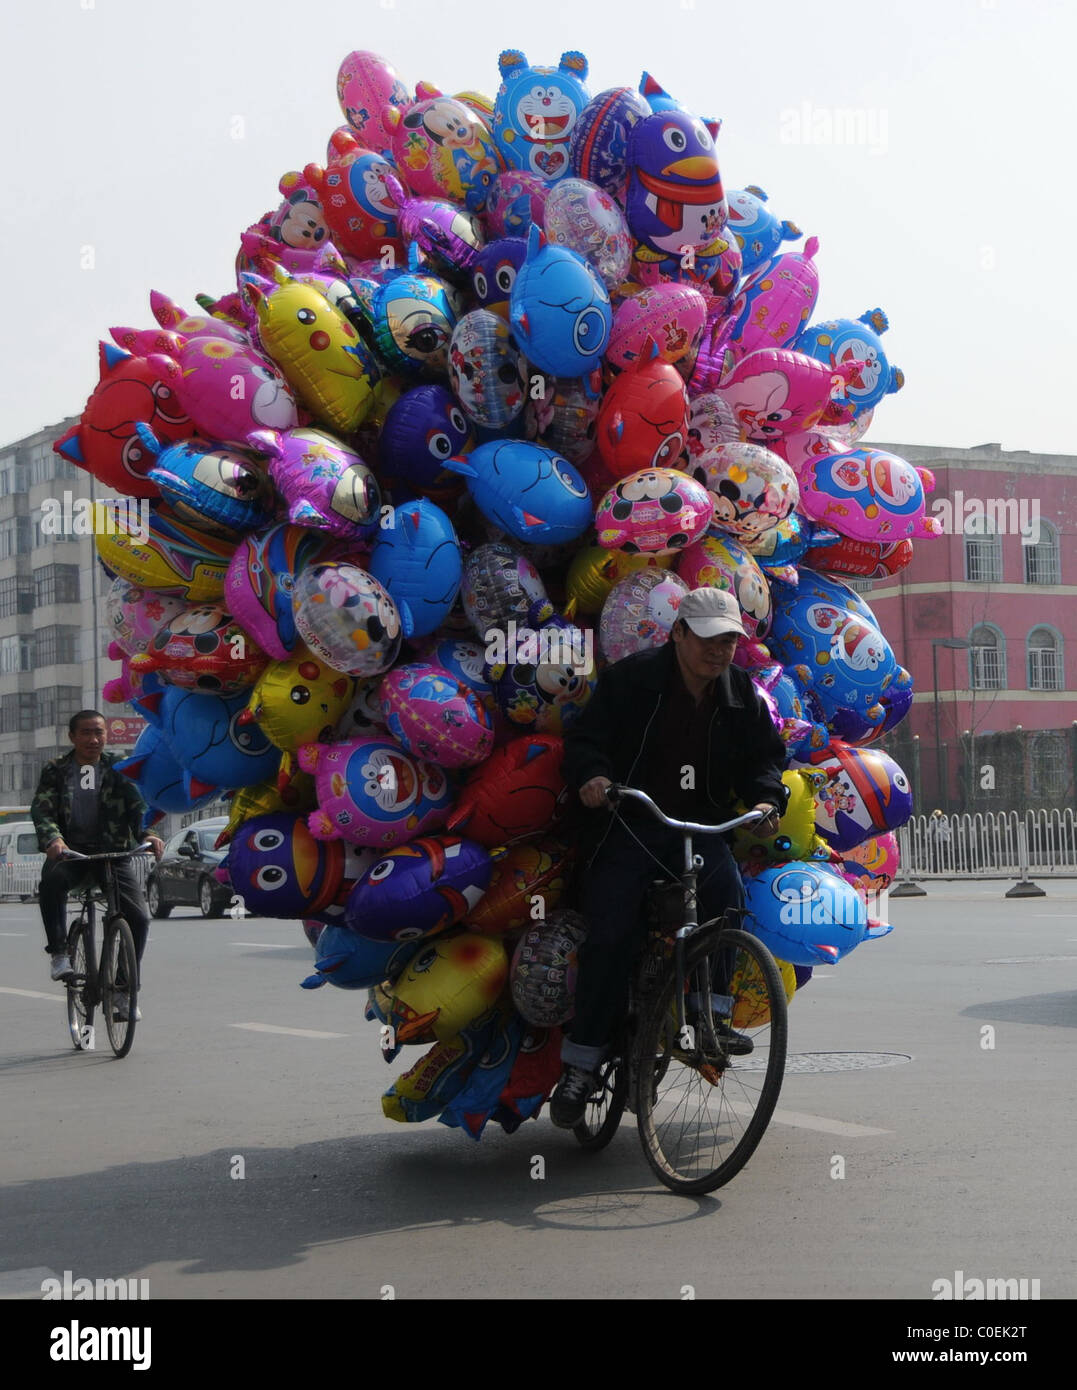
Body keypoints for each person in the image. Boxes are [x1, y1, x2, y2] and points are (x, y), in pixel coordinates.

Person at [550, 587, 790, 1129]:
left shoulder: (742, 696)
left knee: (727, 897)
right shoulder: (631, 681)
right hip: (632, 822)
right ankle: (582, 1063)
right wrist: (593, 778)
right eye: (708, 639)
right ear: (678, 633)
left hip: (701, 825)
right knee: (611, 931)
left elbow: (766, 760)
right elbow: (585, 740)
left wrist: (767, 799)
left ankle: (713, 1016)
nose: (719, 651)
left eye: (729, 640)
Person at [31, 711, 164, 1009]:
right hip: (70, 854)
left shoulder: (119, 767)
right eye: (87, 733)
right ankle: (60, 953)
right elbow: (43, 810)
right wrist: (54, 839)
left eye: (99, 733)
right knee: (51, 881)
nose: (94, 739)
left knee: (139, 918)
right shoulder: (56, 769)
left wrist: (149, 834)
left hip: (113, 854)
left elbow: (139, 806)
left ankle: (122, 988)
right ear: (72, 737)